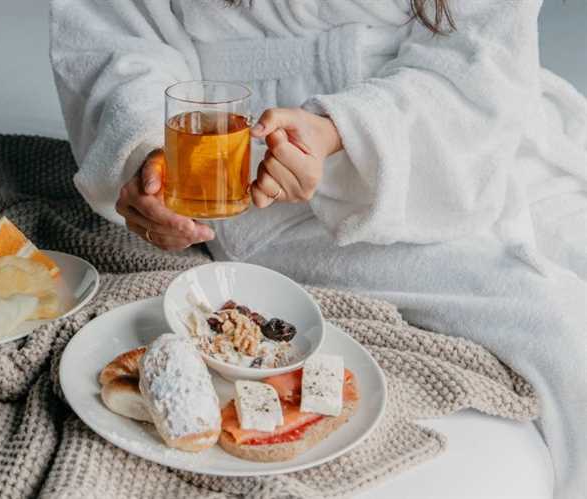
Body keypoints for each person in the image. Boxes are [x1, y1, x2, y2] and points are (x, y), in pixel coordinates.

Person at [50, 1, 587, 497]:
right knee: (558, 325)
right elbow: (118, 37)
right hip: (262, 187)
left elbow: (479, 55)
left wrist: (341, 130)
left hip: (455, 138)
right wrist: (151, 155)